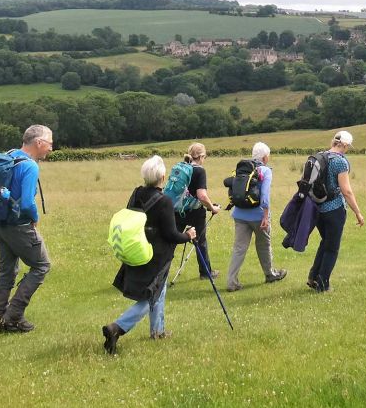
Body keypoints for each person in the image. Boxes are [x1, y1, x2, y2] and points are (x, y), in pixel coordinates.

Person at [103, 156, 196, 354]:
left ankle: (158, 331)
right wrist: (188, 235)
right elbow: (171, 235)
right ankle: (117, 327)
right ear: (163, 177)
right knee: (152, 295)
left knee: (159, 291)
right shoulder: (165, 201)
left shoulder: (137, 193)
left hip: (138, 247)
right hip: (157, 255)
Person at [0, 125, 53, 334]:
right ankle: (13, 317)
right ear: (39, 143)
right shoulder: (30, 166)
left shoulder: (8, 156)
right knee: (42, 265)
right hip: (19, 226)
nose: (51, 148)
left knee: (6, 271)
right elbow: (27, 203)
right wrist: (35, 218)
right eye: (50, 143)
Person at [225, 142, 288, 292]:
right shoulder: (265, 171)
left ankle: (231, 282)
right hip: (258, 216)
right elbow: (265, 195)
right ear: (265, 157)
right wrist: (265, 216)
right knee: (264, 245)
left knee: (239, 248)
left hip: (239, 214)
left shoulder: (242, 169)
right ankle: (270, 274)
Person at [307, 131, 365, 292]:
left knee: (325, 242)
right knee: (332, 248)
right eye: (348, 147)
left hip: (318, 209)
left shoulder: (319, 157)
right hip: (334, 210)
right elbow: (346, 191)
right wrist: (358, 212)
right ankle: (323, 284)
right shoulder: (340, 162)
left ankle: (313, 277)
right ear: (344, 144)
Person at [173, 143, 222, 279]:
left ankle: (160, 273)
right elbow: (202, 196)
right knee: (200, 241)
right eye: (204, 157)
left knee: (171, 240)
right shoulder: (199, 171)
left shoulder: (181, 168)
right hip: (195, 212)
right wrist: (212, 208)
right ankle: (205, 273)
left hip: (178, 210)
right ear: (201, 156)